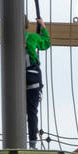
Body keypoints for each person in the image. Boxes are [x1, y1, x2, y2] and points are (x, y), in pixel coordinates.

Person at [25, 15, 51, 145]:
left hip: (16, 79)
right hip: (33, 76)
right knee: (32, 112)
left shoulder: (9, 39)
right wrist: (43, 26)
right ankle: (33, 142)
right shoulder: (32, 37)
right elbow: (46, 43)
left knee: (17, 110)